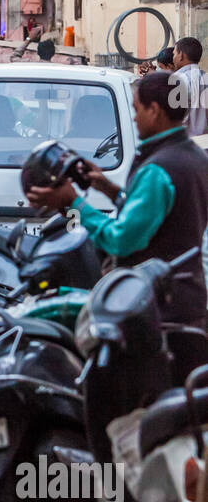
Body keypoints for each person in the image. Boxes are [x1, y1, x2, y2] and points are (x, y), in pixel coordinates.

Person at [26, 71, 208, 326]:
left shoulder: (159, 169)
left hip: (158, 305)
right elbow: (161, 215)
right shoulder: (195, 157)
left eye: (137, 110)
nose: (134, 118)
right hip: (186, 297)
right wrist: (106, 187)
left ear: (154, 111)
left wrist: (73, 203)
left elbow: (121, 240)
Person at [172, 37, 208, 137]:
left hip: (185, 145)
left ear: (181, 55)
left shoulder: (178, 80)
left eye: (174, 54)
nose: (173, 58)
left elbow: (173, 118)